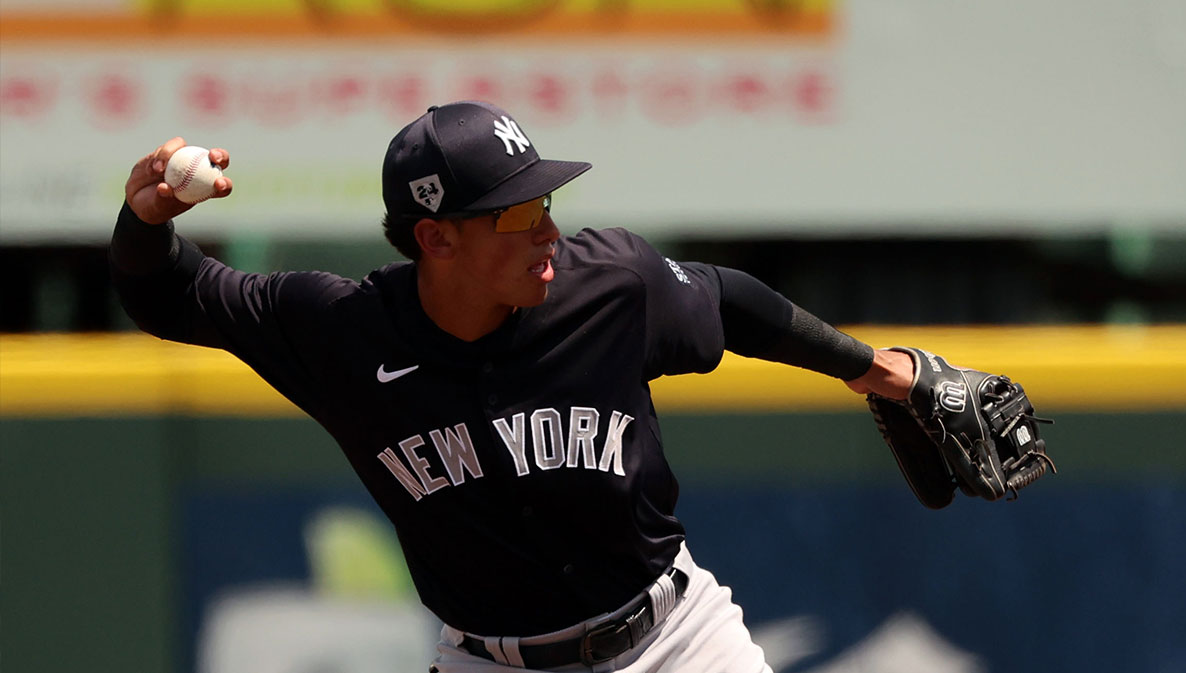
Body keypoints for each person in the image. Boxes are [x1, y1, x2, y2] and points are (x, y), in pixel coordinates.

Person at [111, 101, 915, 672]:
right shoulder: (343, 331)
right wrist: (145, 221)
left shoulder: (609, 284)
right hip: (491, 660)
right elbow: (174, 294)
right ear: (436, 237)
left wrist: (878, 370)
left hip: (677, 639)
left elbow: (731, 300)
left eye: (545, 202)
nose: (549, 232)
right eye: (517, 214)